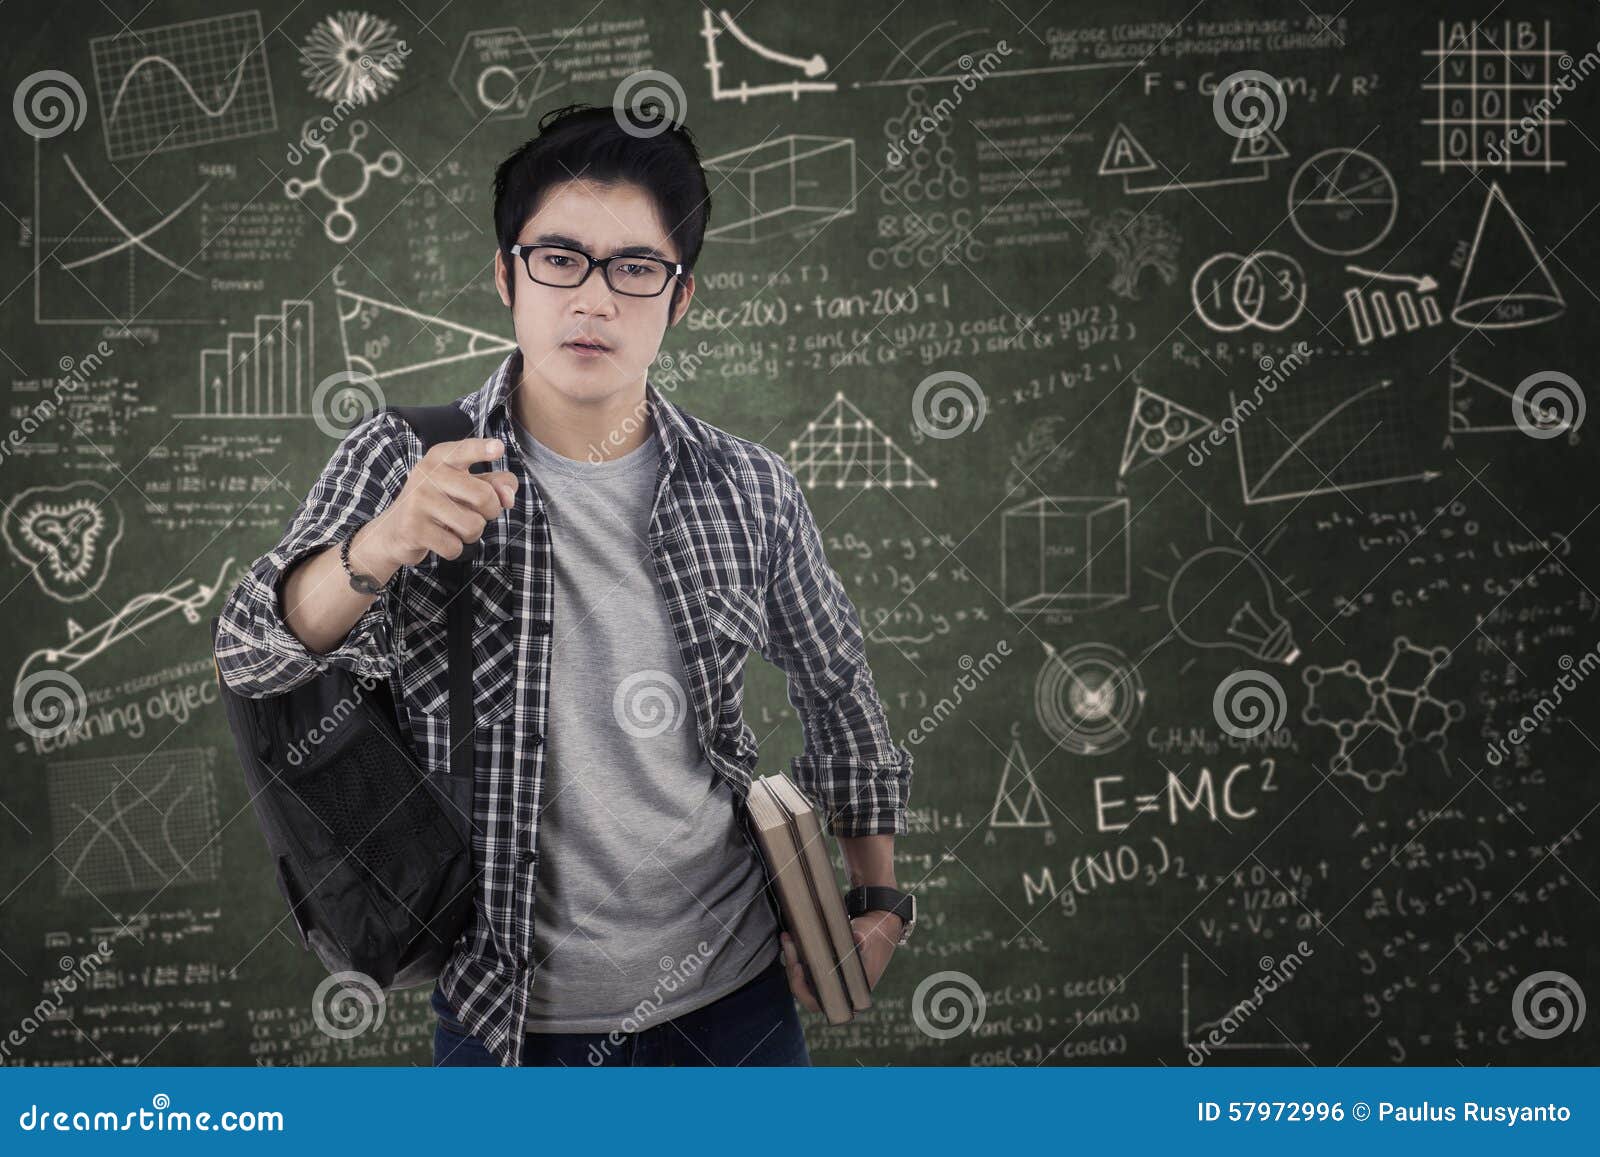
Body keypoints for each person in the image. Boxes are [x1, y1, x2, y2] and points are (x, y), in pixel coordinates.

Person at [214, 103, 916, 1067]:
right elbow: (249, 652)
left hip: (736, 1006)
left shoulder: (750, 486)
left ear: (680, 299)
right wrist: (377, 546)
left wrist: (876, 896)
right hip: (505, 1019)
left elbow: (838, 684)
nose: (594, 299)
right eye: (559, 258)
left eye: (635, 268)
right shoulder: (405, 457)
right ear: (507, 275)